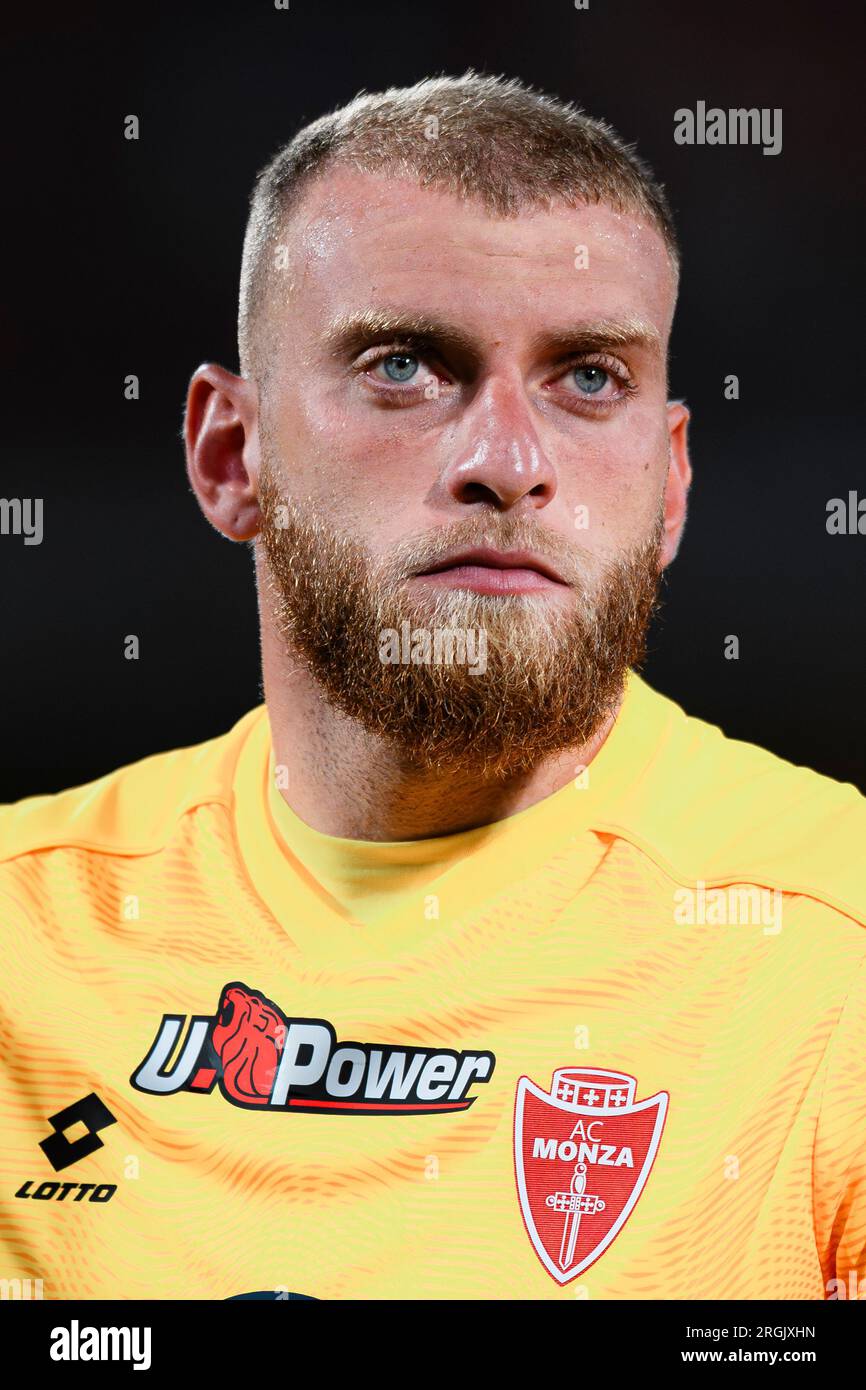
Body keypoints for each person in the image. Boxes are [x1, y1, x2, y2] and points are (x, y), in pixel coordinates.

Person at [1, 72, 863, 1302]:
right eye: (404, 366)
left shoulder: (836, 954)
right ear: (229, 454)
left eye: (587, 378)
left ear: (670, 485)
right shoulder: (20, 944)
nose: (507, 463)